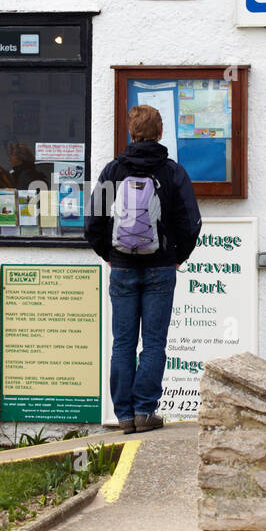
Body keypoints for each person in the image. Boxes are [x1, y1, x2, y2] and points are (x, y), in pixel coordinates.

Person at [85, 104, 201, 433]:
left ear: (130, 132)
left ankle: (123, 415)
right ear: (160, 132)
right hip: (160, 268)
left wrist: (109, 253)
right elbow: (191, 223)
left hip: (121, 268)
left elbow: (93, 222)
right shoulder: (172, 172)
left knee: (122, 343)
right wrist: (179, 255)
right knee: (153, 343)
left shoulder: (113, 171)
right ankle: (144, 412)